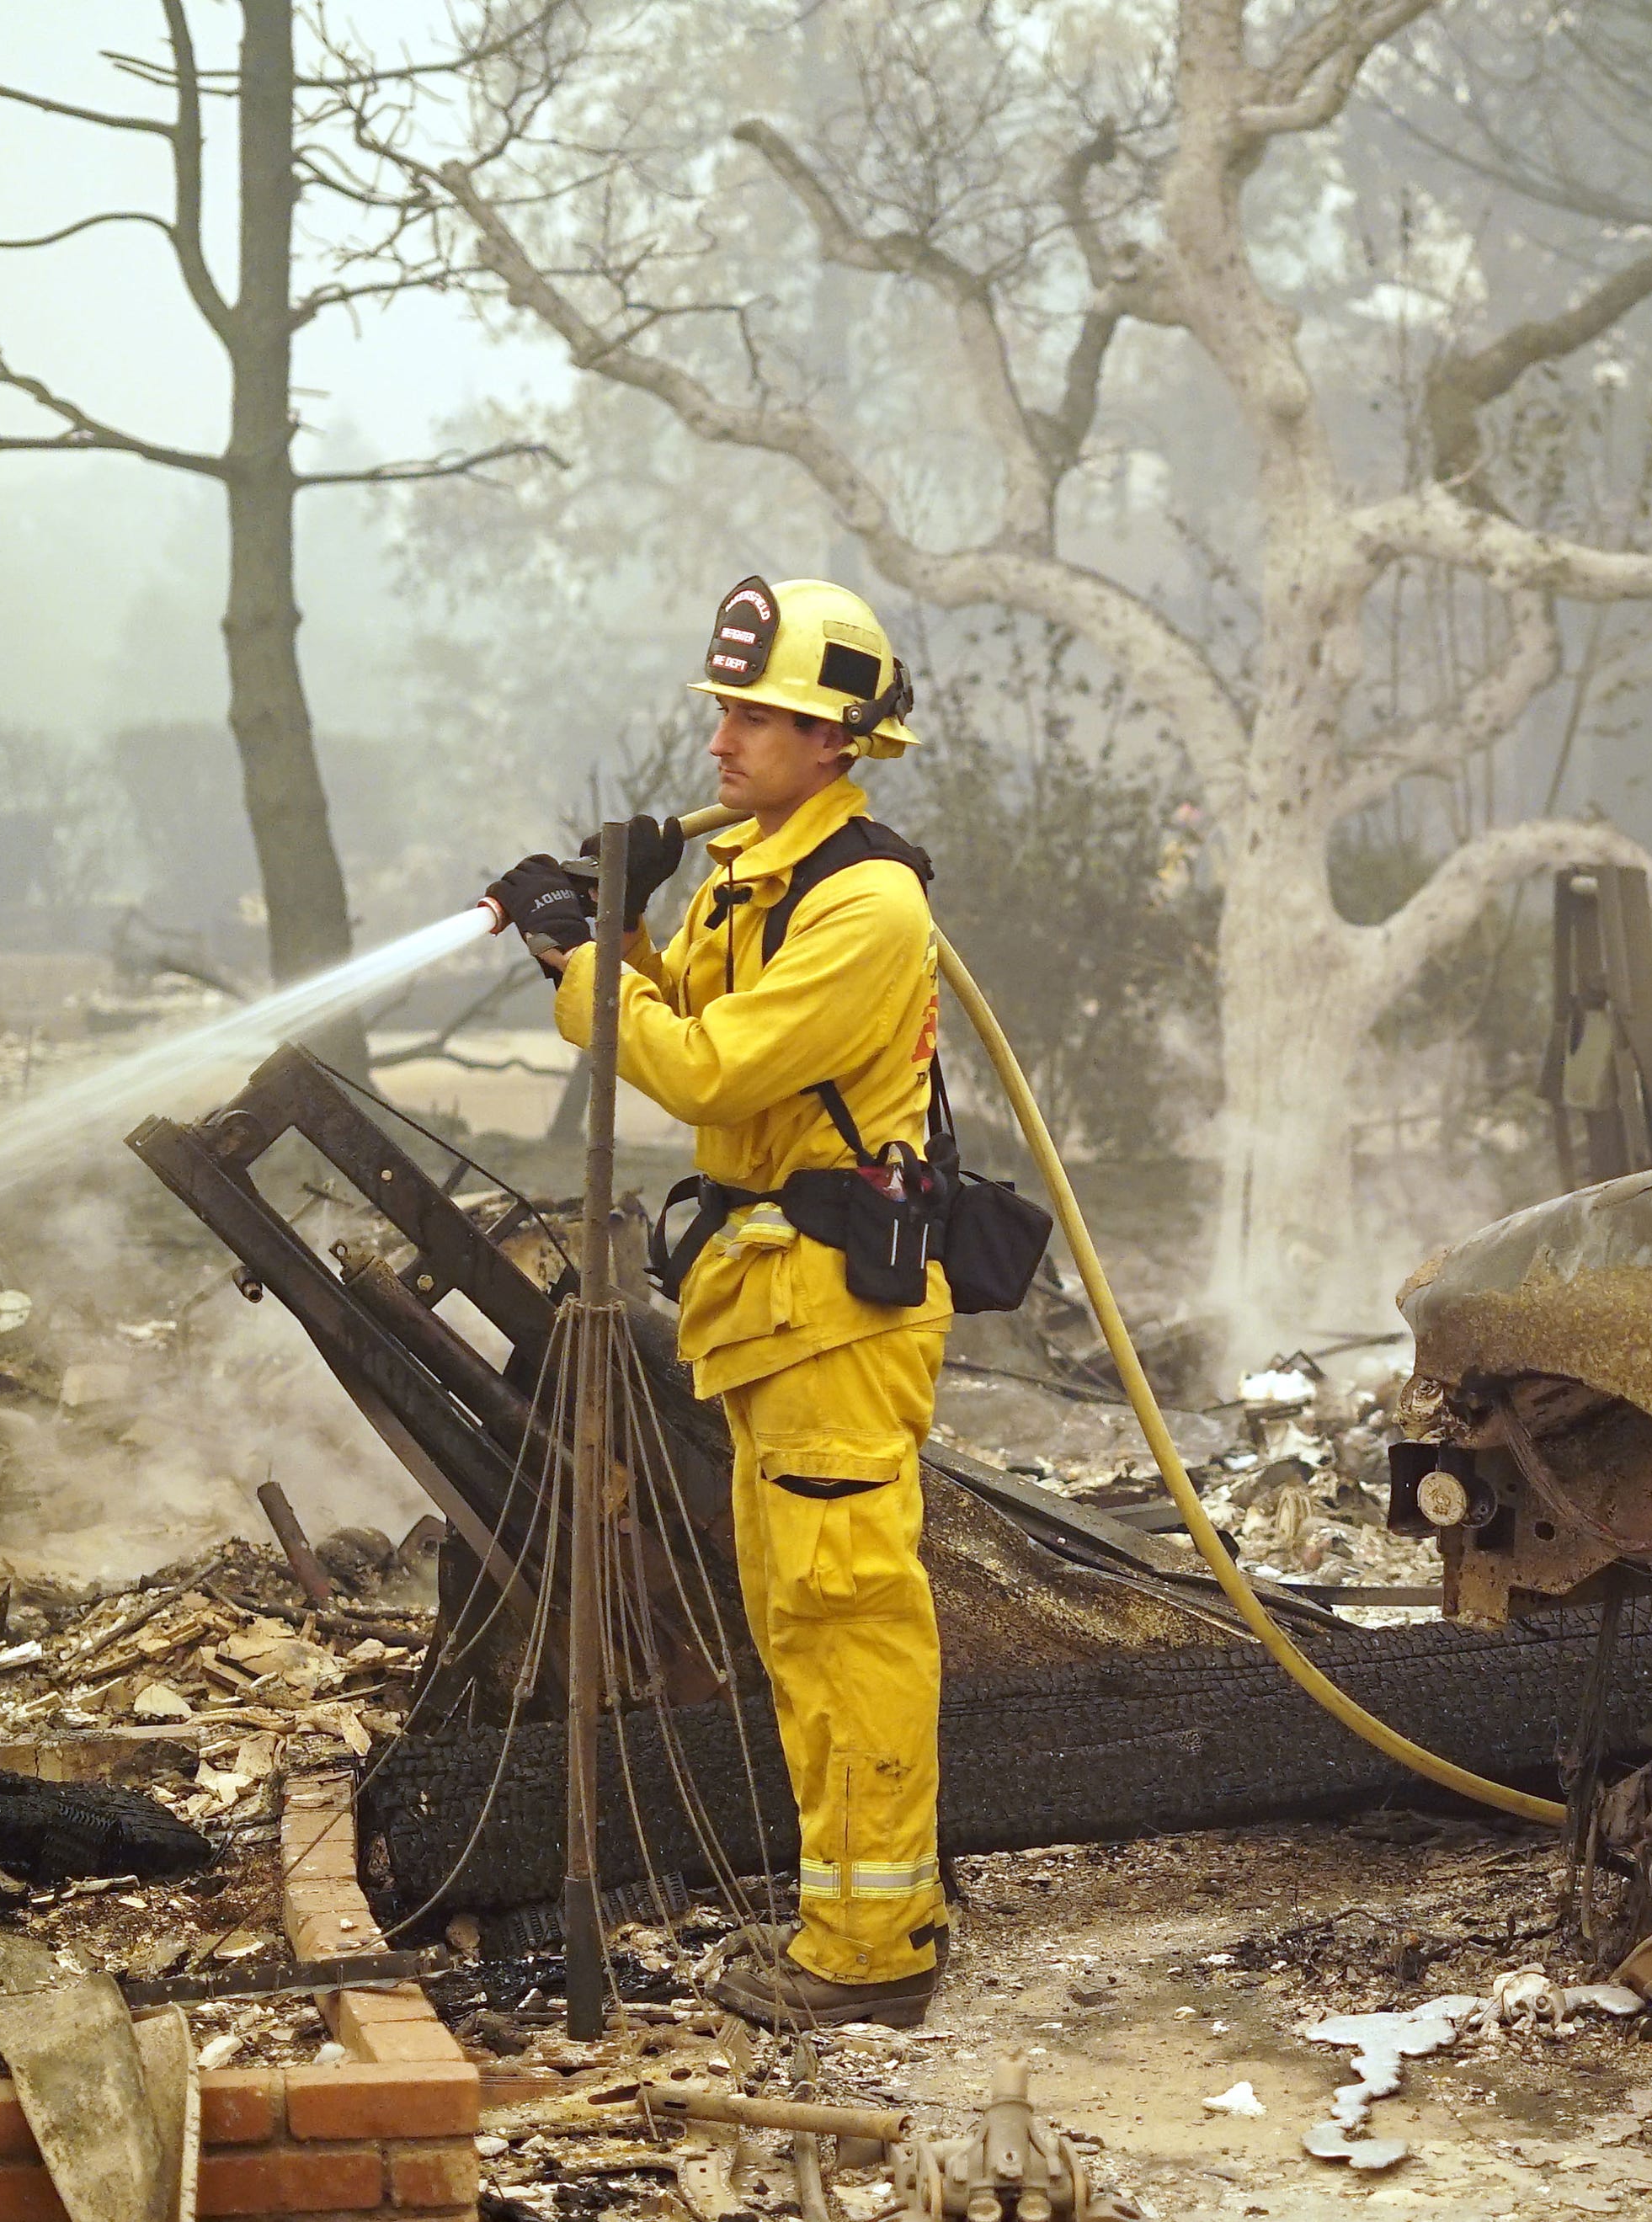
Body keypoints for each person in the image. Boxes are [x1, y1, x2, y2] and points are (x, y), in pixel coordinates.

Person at [484, 576, 949, 2028]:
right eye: (730, 709)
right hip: (773, 1301)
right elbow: (673, 997)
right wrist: (607, 924)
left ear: (841, 744)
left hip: (837, 1308)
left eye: (764, 716)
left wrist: (573, 967)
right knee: (800, 1623)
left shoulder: (867, 904)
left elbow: (706, 1068)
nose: (727, 739)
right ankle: (854, 1922)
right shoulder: (759, 874)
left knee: (848, 1615)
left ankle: (874, 1958)